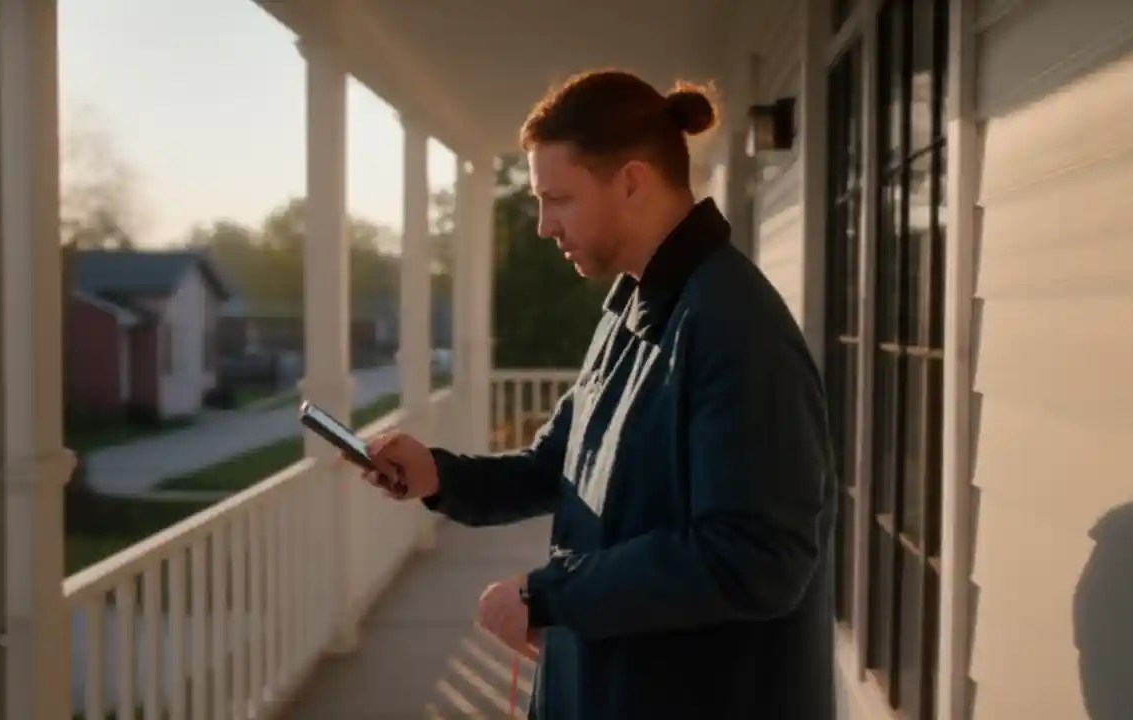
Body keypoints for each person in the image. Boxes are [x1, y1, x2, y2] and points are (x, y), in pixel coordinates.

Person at [357, 69, 838, 719]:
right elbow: (560, 467)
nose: (542, 226)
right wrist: (438, 475)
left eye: (558, 199)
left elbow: (757, 558)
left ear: (632, 182)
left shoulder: (735, 328)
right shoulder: (632, 305)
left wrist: (549, 595)